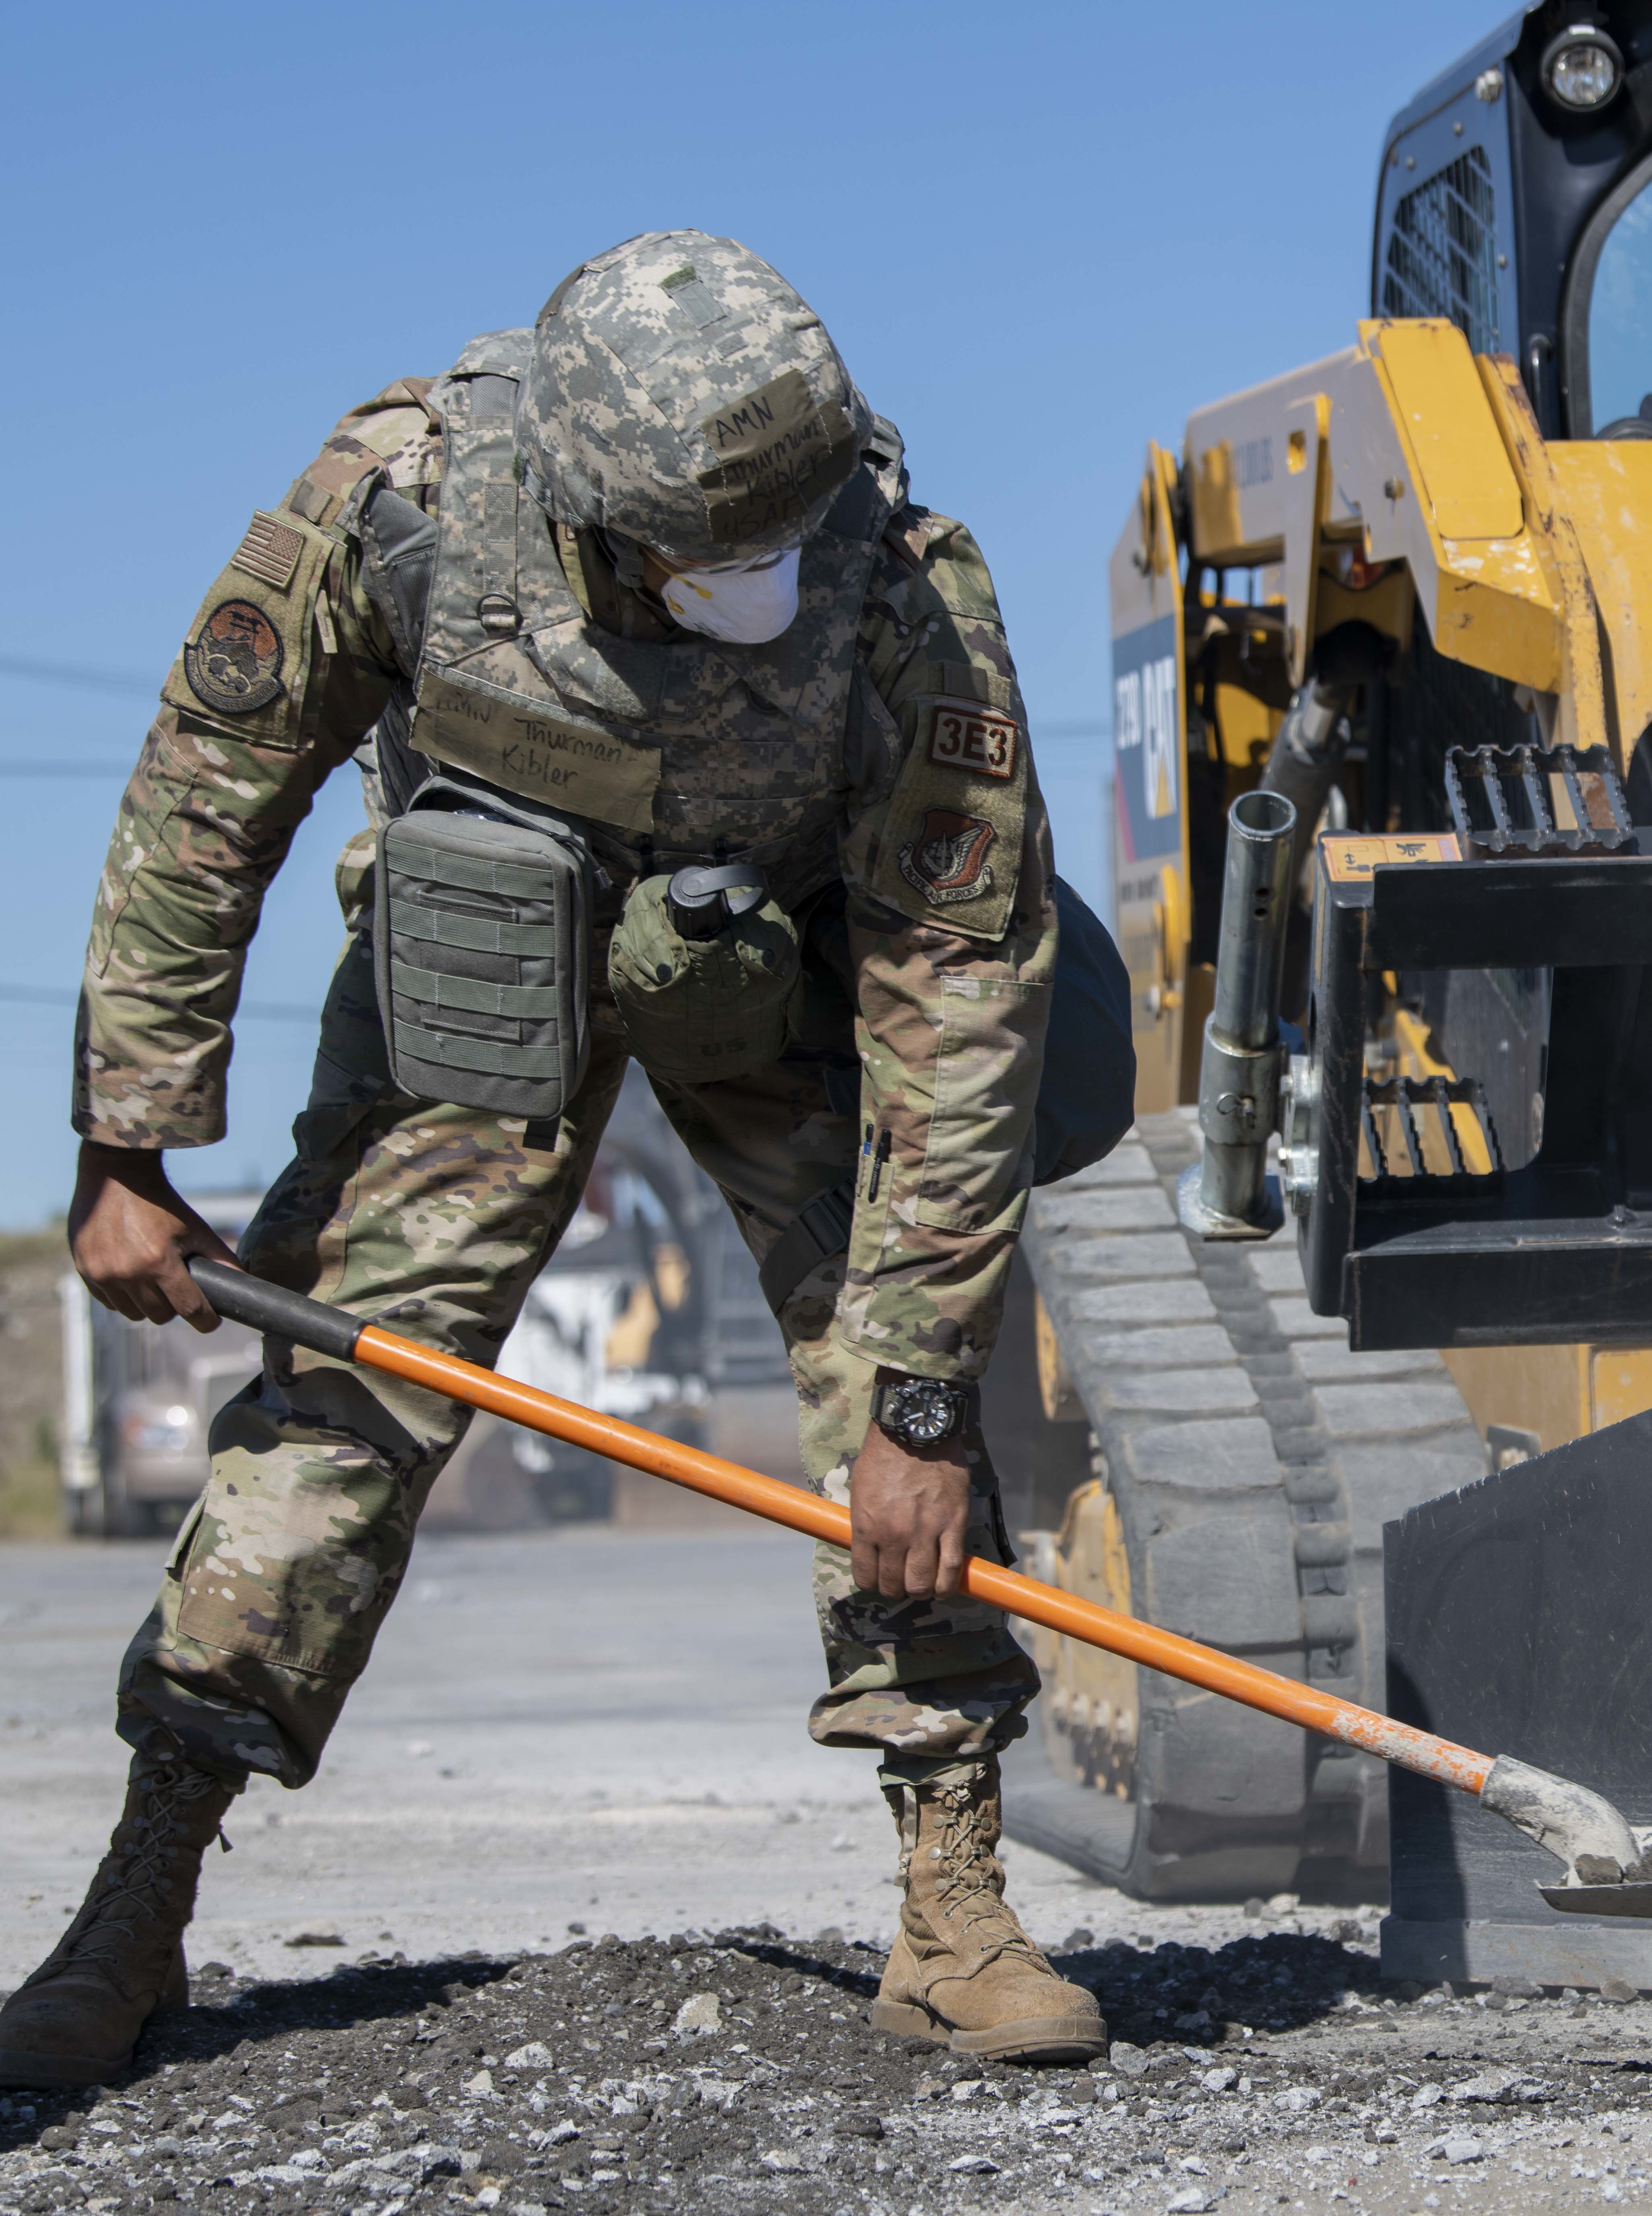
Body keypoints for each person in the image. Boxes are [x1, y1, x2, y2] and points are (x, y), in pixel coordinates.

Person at [4, 233, 1106, 2086]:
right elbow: (210, 785)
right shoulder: (405, 499)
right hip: (471, 983)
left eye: (785, 534)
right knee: (334, 1407)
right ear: (594, 519)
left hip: (771, 973)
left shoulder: (899, 587)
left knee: (900, 1410)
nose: (765, 576)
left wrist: (919, 1392)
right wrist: (126, 1139)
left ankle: (954, 1895)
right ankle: (140, 1898)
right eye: (712, 555)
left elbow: (960, 979)